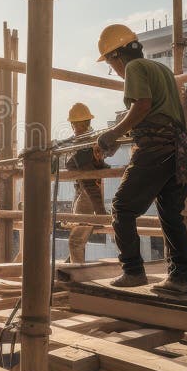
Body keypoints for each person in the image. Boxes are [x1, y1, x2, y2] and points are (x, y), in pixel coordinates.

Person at [95, 24, 187, 294]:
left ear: (116, 57)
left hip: (155, 149)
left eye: (111, 64)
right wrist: (118, 132)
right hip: (177, 149)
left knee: (121, 207)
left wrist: (115, 132)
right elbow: (157, 111)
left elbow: (142, 105)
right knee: (170, 214)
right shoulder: (162, 70)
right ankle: (180, 278)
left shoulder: (134, 68)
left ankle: (132, 271)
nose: (115, 71)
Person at [65, 102, 108, 263]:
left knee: (75, 241)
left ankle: (76, 276)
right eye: (76, 124)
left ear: (87, 124)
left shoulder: (87, 145)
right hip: (83, 191)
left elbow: (70, 164)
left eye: (80, 124)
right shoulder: (86, 142)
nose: (77, 127)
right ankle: (71, 269)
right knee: (78, 240)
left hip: (87, 195)